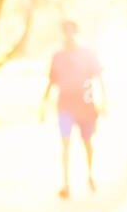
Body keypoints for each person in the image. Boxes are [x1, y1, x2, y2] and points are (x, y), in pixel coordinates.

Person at [40, 19, 105, 199]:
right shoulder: (58, 57)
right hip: (65, 107)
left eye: (71, 31)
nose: (68, 35)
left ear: (76, 32)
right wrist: (43, 105)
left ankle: (90, 175)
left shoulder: (87, 55)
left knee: (87, 143)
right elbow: (51, 81)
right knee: (65, 144)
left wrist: (103, 101)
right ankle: (66, 183)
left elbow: (99, 77)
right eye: (65, 31)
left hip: (85, 105)